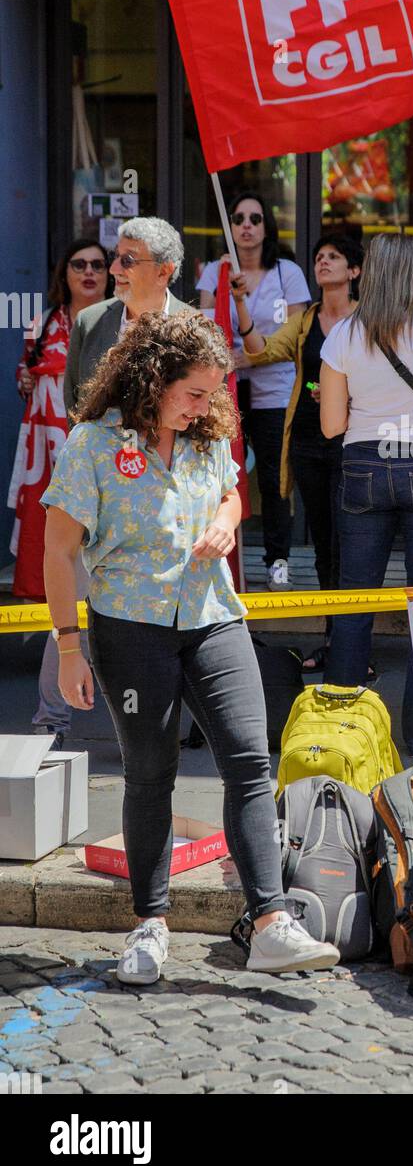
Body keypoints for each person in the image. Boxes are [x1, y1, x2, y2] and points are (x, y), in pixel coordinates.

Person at [41, 311, 339, 984]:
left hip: (212, 617)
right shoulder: (93, 444)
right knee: (150, 772)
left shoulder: (207, 437)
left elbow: (233, 495)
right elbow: (59, 554)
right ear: (153, 380)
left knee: (248, 760)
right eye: (194, 394)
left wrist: (226, 526)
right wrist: (67, 648)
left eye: (211, 395)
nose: (205, 407)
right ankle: (149, 924)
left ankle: (270, 922)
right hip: (130, 626)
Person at [319, 234, 413, 759]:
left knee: (354, 600)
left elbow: (331, 425)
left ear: (366, 274)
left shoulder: (343, 335)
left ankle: (340, 729)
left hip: (364, 466)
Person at [233, 231, 365, 673]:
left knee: (351, 546)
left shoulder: (367, 320)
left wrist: (340, 396)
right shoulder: (306, 319)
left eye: (334, 256)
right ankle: (333, 641)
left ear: (355, 271)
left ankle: (353, 648)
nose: (324, 262)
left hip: (355, 444)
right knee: (326, 547)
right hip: (309, 446)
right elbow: (261, 352)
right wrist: (240, 306)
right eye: (319, 257)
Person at [8, 242, 110, 749]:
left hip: (118, 473)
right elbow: (30, 382)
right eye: (79, 264)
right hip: (56, 459)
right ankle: (51, 722)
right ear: (63, 273)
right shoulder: (46, 322)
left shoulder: (121, 321)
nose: (89, 272)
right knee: (67, 580)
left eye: (99, 264)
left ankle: (151, 719)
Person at [198, 192, 310, 590]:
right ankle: (221, 560)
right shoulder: (215, 270)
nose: (246, 226)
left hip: (274, 391)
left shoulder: (288, 273)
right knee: (216, 474)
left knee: (272, 478)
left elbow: (297, 335)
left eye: (255, 219)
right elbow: (206, 327)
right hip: (223, 389)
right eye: (239, 218)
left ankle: (277, 559)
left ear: (266, 228)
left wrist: (253, 358)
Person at [64, 217, 190, 416]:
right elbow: (75, 407)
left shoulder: (195, 329)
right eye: (115, 256)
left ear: (163, 271)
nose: (113, 269)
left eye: (127, 261)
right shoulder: (88, 323)